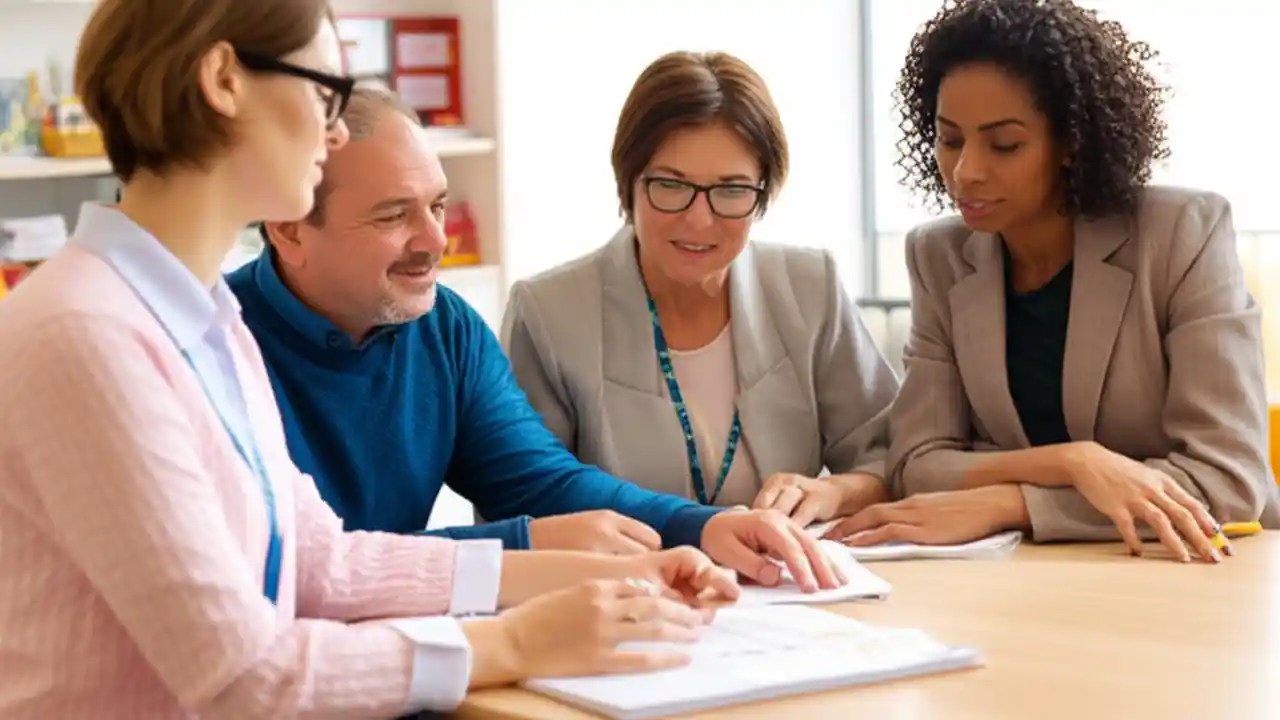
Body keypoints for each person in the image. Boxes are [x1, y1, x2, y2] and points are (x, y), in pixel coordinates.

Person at [0, 2, 741, 716]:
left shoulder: (202, 319)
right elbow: (244, 679)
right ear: (224, 81)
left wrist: (605, 574)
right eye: (326, 90)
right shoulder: (87, 333)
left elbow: (324, 562)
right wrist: (514, 639)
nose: (332, 135)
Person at [230, 84, 843, 590]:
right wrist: (518, 543)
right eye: (394, 215)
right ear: (288, 229)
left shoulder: (446, 328)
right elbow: (289, 568)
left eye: (438, 207)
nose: (435, 242)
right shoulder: (215, 344)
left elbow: (542, 481)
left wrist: (706, 526)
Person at [823, 0, 1280, 562]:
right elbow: (918, 464)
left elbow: (1226, 482)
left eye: (1004, 144)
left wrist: (1009, 502)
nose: (966, 171)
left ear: (1070, 143)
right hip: (1031, 574)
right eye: (950, 139)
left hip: (1193, 568)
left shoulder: (1181, 232)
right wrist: (1073, 461)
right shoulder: (939, 256)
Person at [501, 50, 900, 529]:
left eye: (731, 190)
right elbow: (521, 498)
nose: (699, 219)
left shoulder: (809, 287)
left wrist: (832, 491)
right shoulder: (549, 313)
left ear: (763, 193)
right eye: (671, 185)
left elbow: (891, 457)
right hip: (626, 587)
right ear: (628, 181)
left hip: (787, 585)